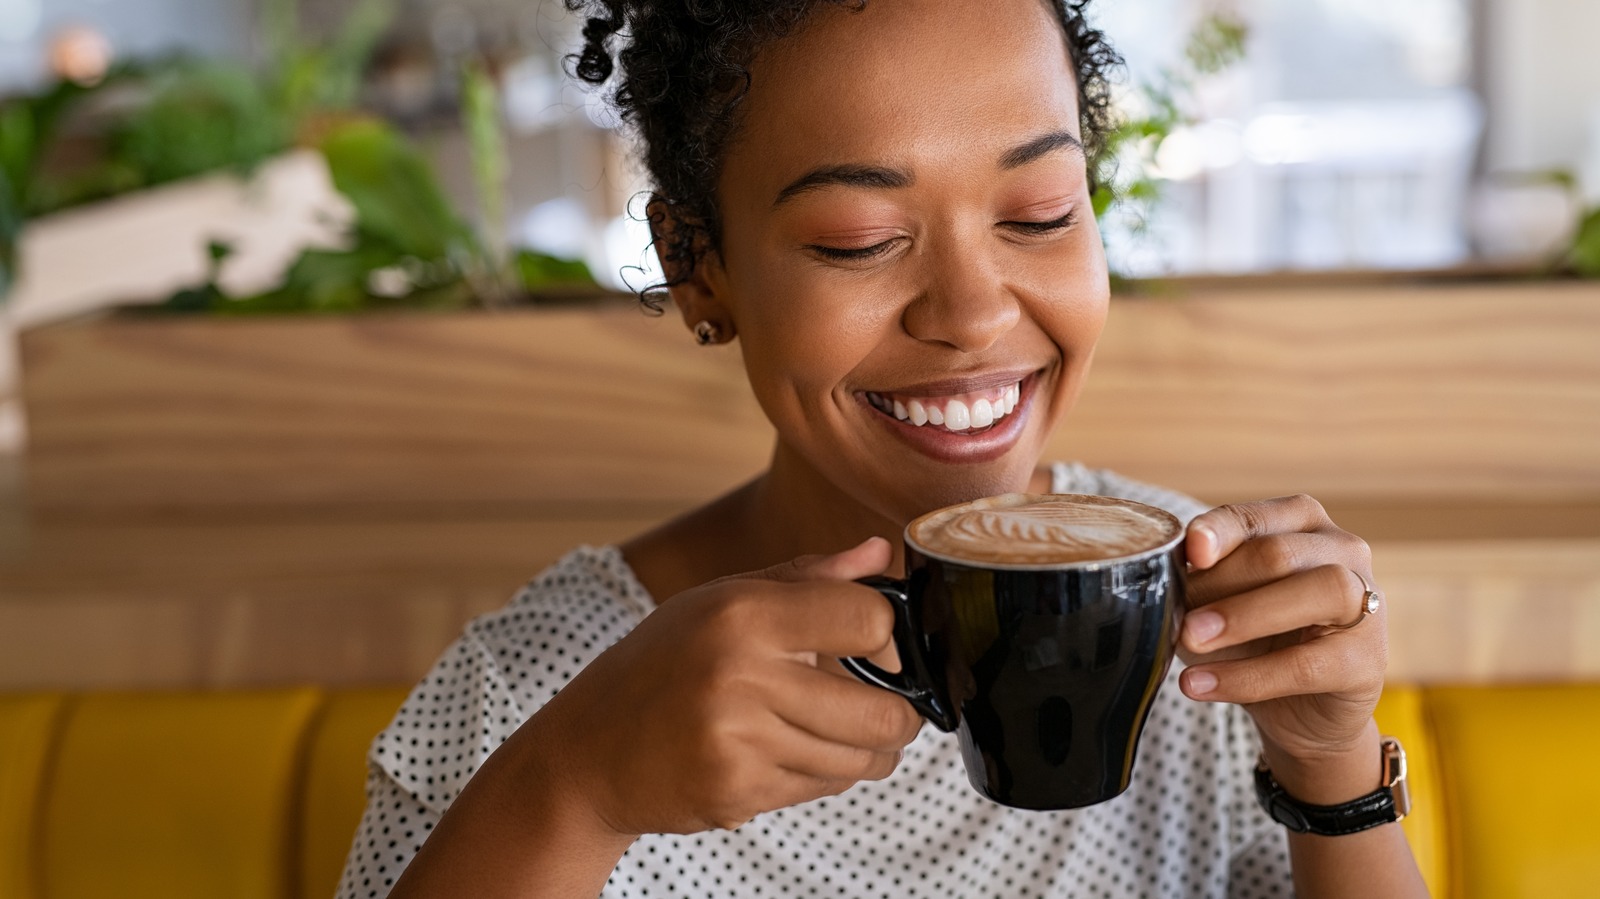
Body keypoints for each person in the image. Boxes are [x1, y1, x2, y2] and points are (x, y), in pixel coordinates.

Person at [338, 1, 1427, 896]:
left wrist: (1329, 767)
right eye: (858, 239)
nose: (969, 313)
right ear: (697, 265)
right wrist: (570, 790)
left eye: (1041, 213)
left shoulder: (1206, 628)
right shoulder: (521, 696)